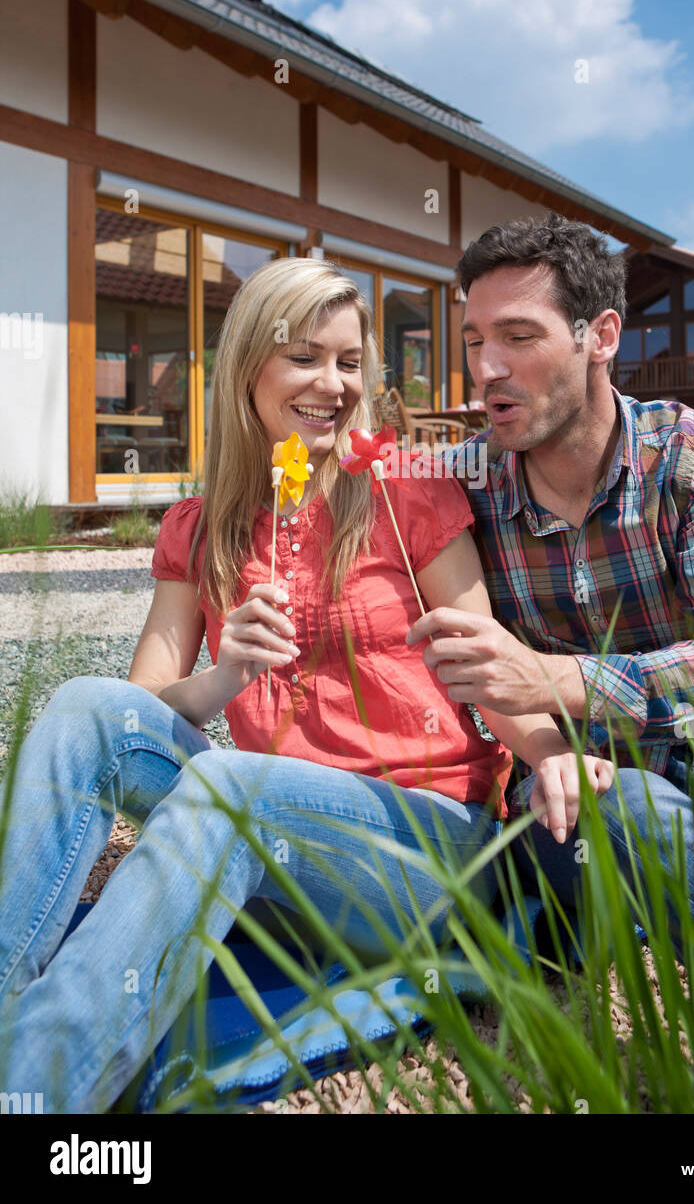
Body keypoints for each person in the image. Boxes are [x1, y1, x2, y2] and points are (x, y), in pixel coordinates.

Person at [0, 256, 613, 1114]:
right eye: (305, 357)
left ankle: (33, 1092)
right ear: (249, 365)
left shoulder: (406, 496)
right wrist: (227, 675)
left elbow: (491, 668)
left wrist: (552, 751)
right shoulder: (204, 526)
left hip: (424, 850)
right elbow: (143, 710)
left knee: (228, 787)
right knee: (82, 708)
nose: (334, 384)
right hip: (273, 829)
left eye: (350, 362)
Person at [408, 211, 694, 968]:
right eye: (474, 342)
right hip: (578, 806)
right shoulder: (460, 488)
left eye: (519, 337)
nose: (487, 367)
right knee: (622, 805)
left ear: (602, 337)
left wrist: (557, 677)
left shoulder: (687, 453)